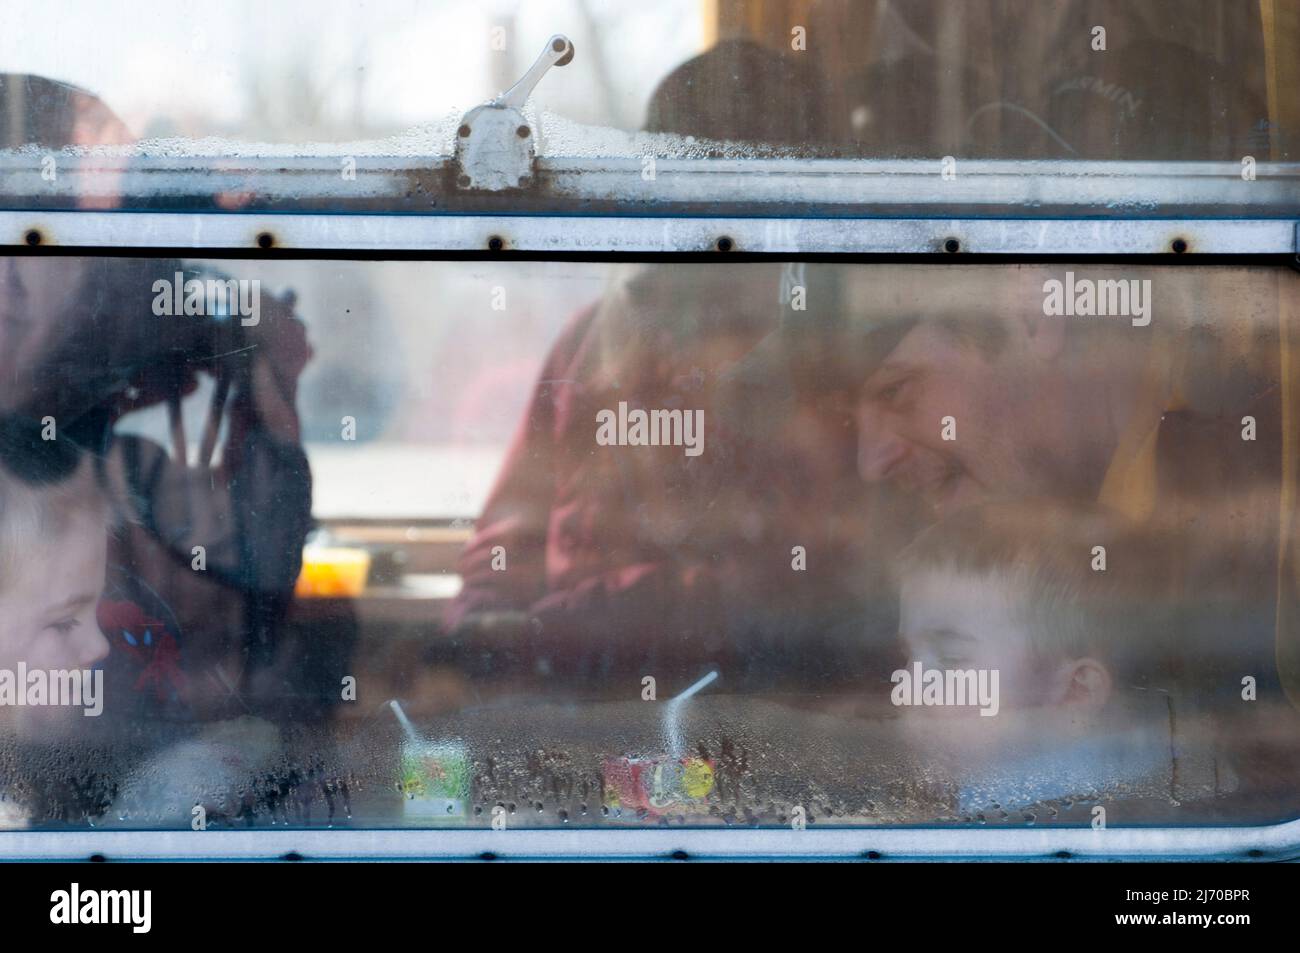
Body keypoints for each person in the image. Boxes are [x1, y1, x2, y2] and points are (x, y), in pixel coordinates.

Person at [892, 501, 1227, 821]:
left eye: (951, 658)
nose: (908, 687)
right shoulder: (1177, 776)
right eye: (908, 655)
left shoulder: (1018, 824)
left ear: (1078, 692)